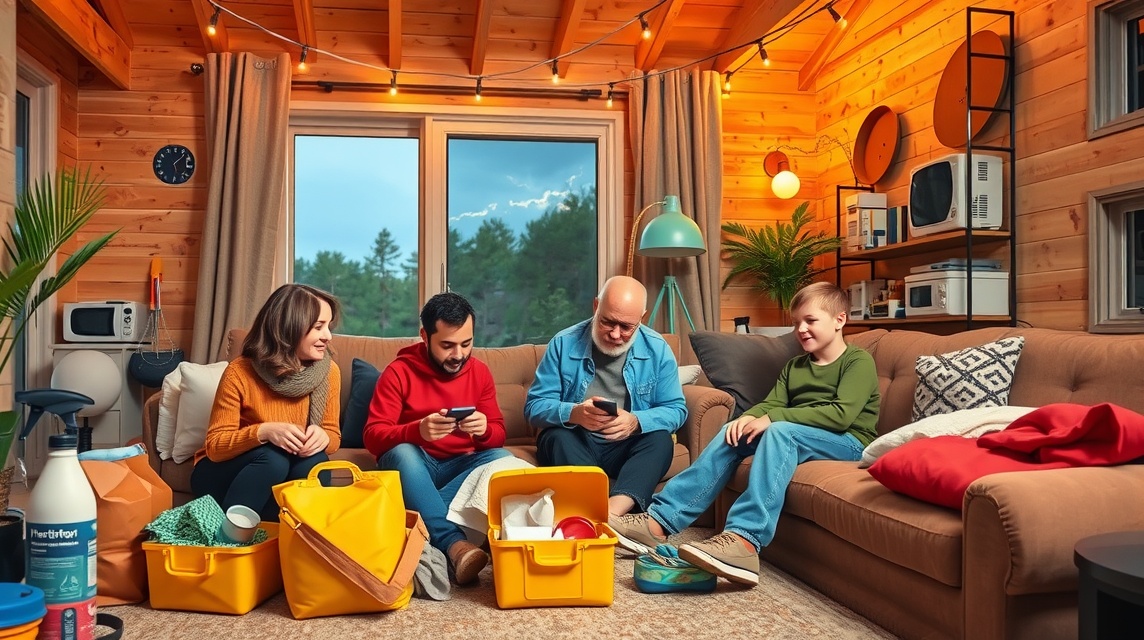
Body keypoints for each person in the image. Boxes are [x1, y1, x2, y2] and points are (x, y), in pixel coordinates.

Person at [609, 282, 879, 587]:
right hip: (799, 434)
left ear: (839, 320)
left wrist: (772, 418)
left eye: (810, 321)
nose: (801, 329)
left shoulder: (857, 361)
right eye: (796, 323)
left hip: (848, 442)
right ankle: (658, 522)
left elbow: (840, 415)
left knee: (779, 432)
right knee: (731, 433)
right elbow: (773, 403)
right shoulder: (795, 367)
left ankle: (745, 541)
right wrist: (749, 417)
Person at [363, 292, 511, 586]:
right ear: (424, 336)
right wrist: (415, 430)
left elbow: (498, 435)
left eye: (466, 344)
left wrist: (483, 430)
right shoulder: (398, 372)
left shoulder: (480, 372)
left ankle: (419, 516)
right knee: (403, 452)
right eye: (447, 345)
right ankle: (455, 545)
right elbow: (372, 436)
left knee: (505, 459)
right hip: (417, 466)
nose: (458, 355)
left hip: (460, 469)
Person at [524, 275, 686, 517]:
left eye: (626, 327)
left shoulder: (658, 348)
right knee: (555, 436)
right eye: (608, 322)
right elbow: (534, 407)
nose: (615, 334)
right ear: (596, 306)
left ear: (641, 319)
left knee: (661, 440)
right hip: (576, 440)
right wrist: (574, 413)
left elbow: (676, 409)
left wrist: (635, 422)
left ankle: (610, 512)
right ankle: (594, 505)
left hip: (625, 444)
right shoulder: (563, 343)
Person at [191, 283, 343, 523]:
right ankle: (230, 540)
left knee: (315, 462)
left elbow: (332, 434)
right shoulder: (239, 372)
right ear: (289, 329)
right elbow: (216, 447)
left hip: (282, 474)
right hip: (225, 473)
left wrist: (324, 437)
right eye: (318, 327)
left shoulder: (329, 372)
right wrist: (263, 432)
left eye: (328, 326)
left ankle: (297, 545)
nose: (328, 336)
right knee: (273, 458)